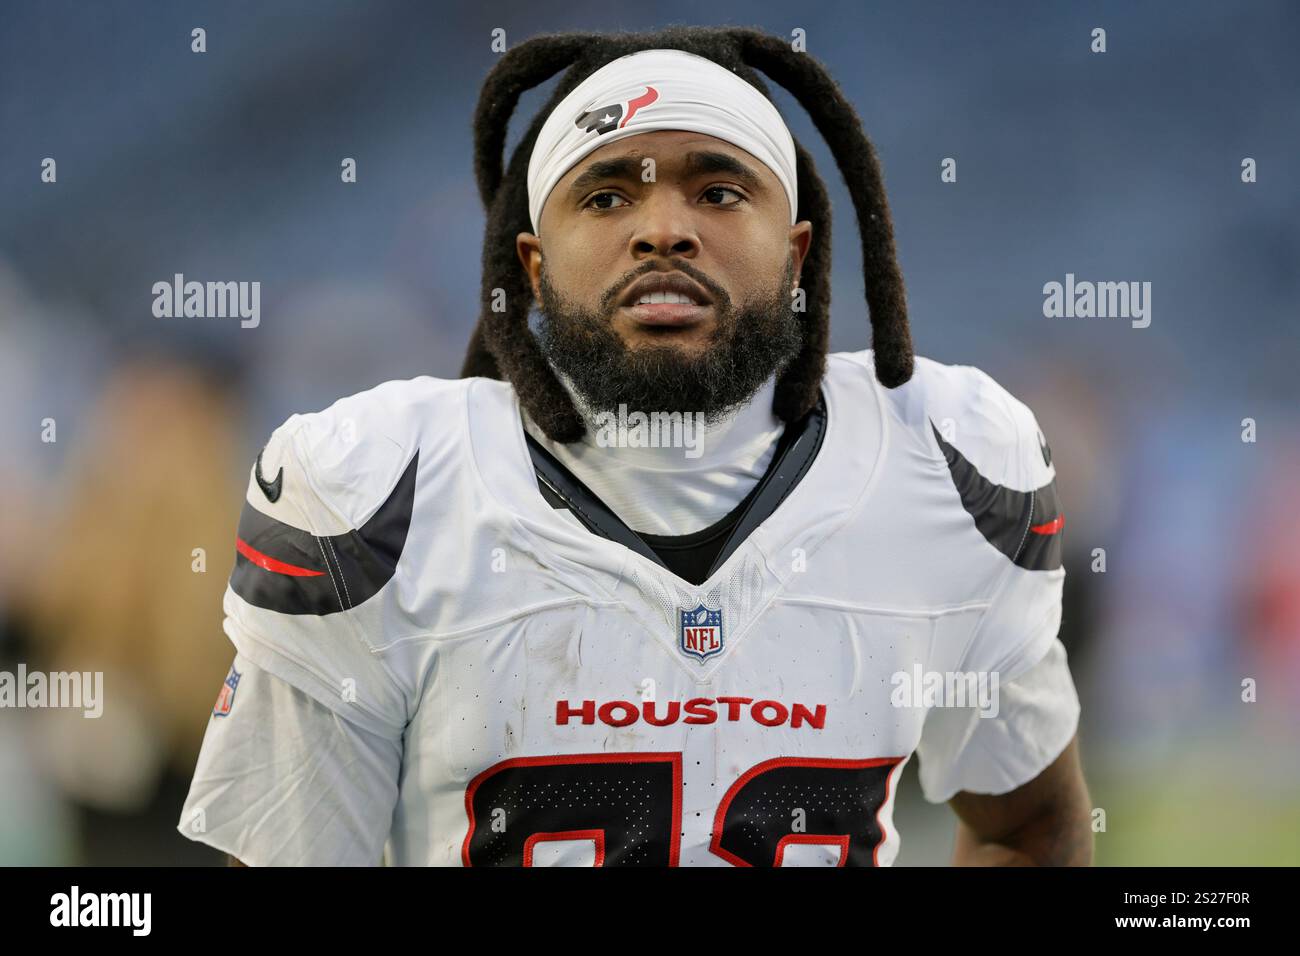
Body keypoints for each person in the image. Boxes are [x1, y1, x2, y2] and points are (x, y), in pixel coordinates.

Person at [178, 27, 1090, 866]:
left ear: (799, 254)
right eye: (607, 193)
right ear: (532, 268)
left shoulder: (945, 464)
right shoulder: (381, 495)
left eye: (720, 189)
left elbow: (1030, 827)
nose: (663, 229)